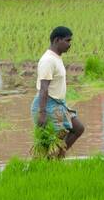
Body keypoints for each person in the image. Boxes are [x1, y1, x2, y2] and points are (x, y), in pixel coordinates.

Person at [32, 26, 86, 158]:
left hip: (58, 104)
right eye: (67, 41)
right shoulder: (48, 60)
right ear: (57, 40)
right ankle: (51, 163)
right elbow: (44, 89)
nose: (69, 44)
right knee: (55, 140)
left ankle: (57, 158)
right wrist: (42, 113)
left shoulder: (56, 58)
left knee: (78, 128)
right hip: (49, 105)